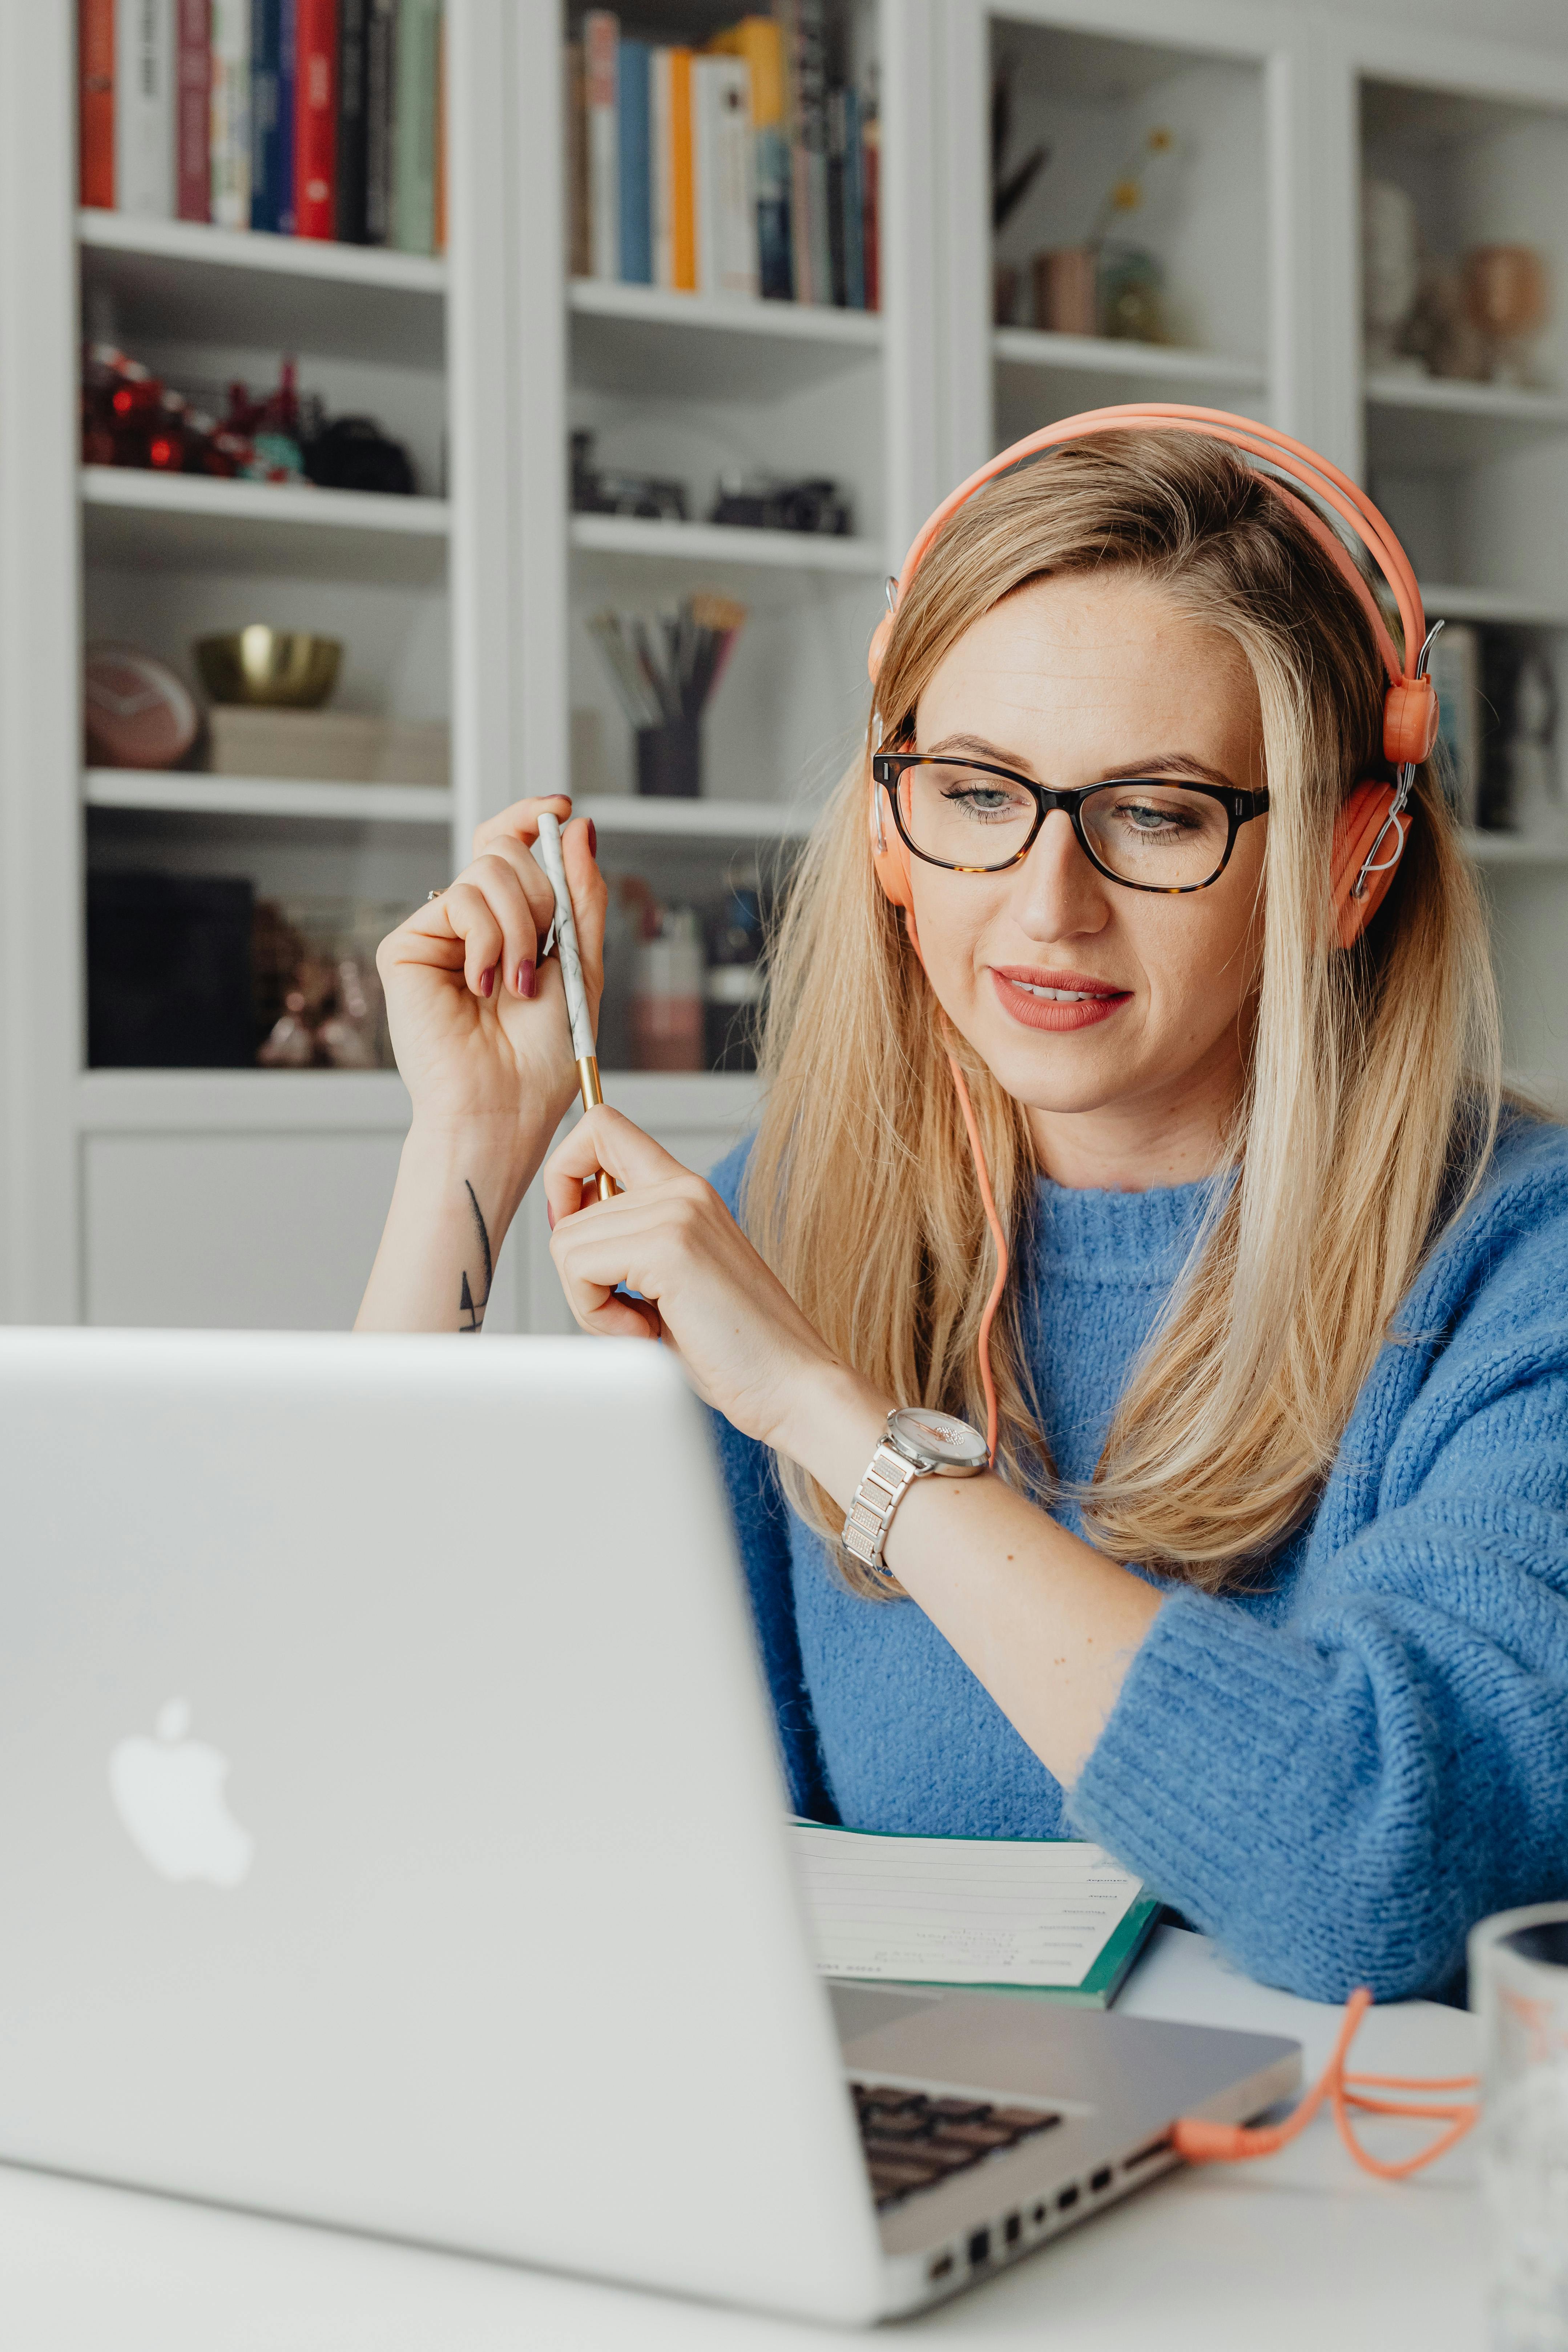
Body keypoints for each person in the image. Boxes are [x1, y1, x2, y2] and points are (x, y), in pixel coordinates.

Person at [359, 428, 1568, 2004]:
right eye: (977, 791)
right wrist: (469, 1140)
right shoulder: (793, 1220)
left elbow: (1371, 1873)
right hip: (891, 2135)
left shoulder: (1512, 1263)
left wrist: (836, 1422)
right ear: (888, 828)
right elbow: (410, 1746)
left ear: (1352, 861)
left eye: (1155, 812)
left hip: (1334, 2206)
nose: (1045, 900)